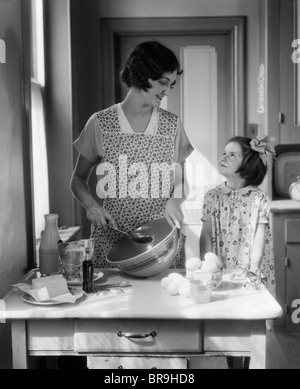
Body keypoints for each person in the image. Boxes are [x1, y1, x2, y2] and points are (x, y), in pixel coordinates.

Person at [70, 41, 194, 268]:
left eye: (172, 85)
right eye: (162, 82)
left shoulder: (173, 125)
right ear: (140, 75)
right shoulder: (100, 123)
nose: (167, 91)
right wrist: (92, 207)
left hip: (161, 243)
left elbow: (181, 180)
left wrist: (175, 201)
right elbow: (77, 179)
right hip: (113, 240)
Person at [199, 135, 276, 369]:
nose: (224, 156)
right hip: (220, 270)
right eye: (224, 152)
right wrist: (207, 265)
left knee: (247, 328)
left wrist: (252, 271)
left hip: (247, 273)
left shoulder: (258, 198)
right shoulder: (212, 196)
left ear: (248, 163)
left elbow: (259, 239)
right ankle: (232, 363)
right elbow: (205, 235)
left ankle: (244, 364)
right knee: (226, 327)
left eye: (232, 154)